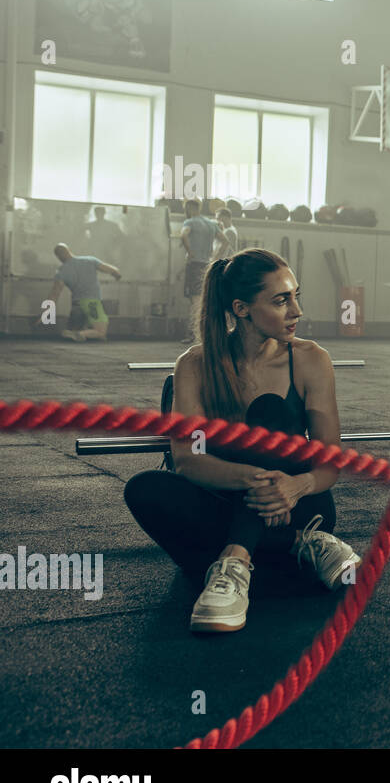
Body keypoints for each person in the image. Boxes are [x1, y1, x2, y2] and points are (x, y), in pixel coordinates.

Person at [123, 249, 361, 633]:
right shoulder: (194, 365)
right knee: (144, 490)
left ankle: (233, 562)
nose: (296, 311)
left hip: (299, 501)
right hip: (238, 502)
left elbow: (329, 460)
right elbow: (189, 459)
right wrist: (256, 480)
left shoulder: (310, 360)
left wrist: (295, 486)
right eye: (281, 300)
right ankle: (297, 544)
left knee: (268, 412)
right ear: (242, 308)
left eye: (295, 296)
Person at [48, 243, 121, 342]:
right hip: (92, 304)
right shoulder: (89, 260)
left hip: (76, 305)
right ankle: (79, 333)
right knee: (100, 332)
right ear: (69, 251)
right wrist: (117, 275)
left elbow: (54, 294)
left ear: (58, 257)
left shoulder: (61, 271)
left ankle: (76, 331)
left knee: (86, 334)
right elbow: (113, 270)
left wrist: (47, 312)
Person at [179, 199, 218, 343]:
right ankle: (201, 335)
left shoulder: (189, 222)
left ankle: (195, 335)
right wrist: (215, 257)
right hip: (207, 265)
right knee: (203, 300)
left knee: (195, 301)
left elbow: (183, 235)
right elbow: (225, 240)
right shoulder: (210, 224)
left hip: (194, 264)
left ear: (189, 208)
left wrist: (190, 252)